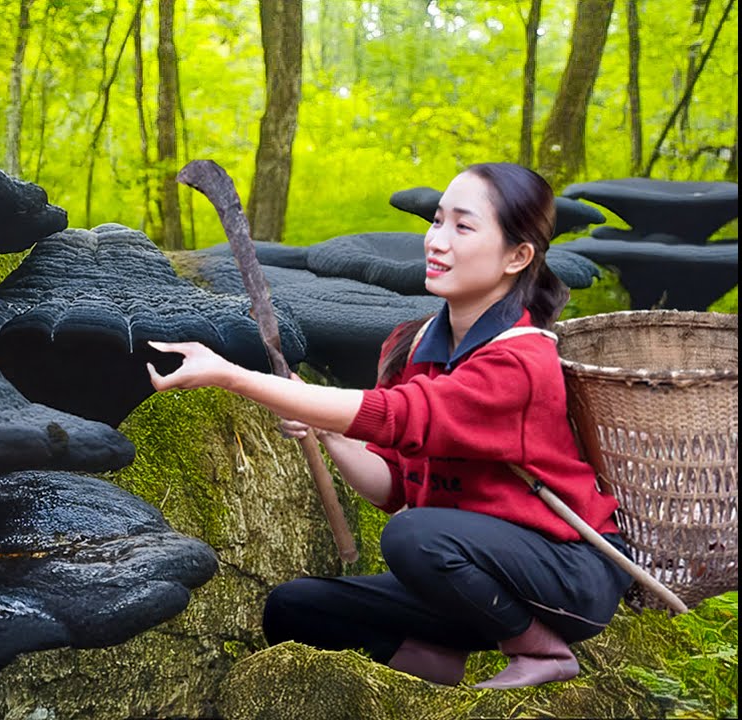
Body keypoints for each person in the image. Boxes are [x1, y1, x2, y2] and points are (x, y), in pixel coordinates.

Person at [146, 162, 632, 689]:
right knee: (294, 609)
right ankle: (436, 669)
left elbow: (397, 417)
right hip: (468, 579)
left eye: (462, 227)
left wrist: (232, 376)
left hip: (565, 575)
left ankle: (541, 653)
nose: (436, 241)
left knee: (412, 536)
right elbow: (394, 484)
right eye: (437, 221)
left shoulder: (518, 363)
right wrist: (327, 430)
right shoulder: (421, 343)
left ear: (518, 256)